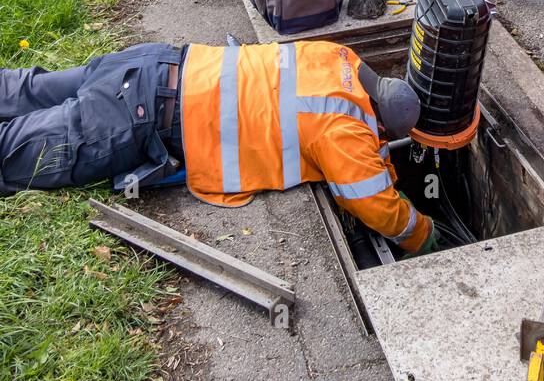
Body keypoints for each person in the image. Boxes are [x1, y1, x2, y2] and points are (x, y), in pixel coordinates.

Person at [0, 40, 436, 255]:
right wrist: (423, 234)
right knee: (16, 153)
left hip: (153, 62)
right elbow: (375, 205)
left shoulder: (339, 56)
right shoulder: (347, 131)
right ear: (381, 122)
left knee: (31, 89)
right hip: (140, 115)